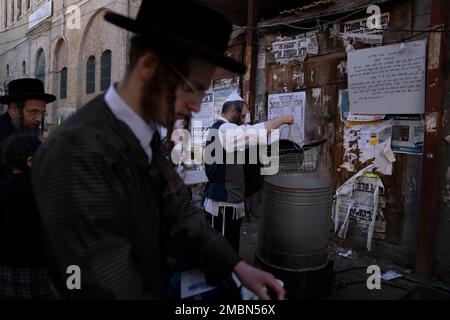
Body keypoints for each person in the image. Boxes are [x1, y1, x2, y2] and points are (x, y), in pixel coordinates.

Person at [31, 0, 285, 300]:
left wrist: (239, 266)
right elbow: (101, 283)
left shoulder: (145, 135)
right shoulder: (76, 151)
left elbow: (181, 213)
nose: (197, 104)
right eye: (192, 88)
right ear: (150, 67)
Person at [204, 91, 294, 252]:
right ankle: (221, 277)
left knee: (230, 249)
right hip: (223, 204)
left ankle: (229, 276)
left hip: (231, 203)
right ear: (232, 112)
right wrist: (281, 120)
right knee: (222, 252)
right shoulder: (224, 129)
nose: (244, 121)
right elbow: (253, 132)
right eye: (243, 116)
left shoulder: (225, 130)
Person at [0, 134, 50, 300]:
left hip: (7, 264)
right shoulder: (42, 189)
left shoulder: (3, 188)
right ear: (30, 161)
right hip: (37, 264)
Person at [0, 78, 55, 180]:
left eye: (42, 113)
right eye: (33, 113)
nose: (39, 119)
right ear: (13, 109)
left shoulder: (29, 131)